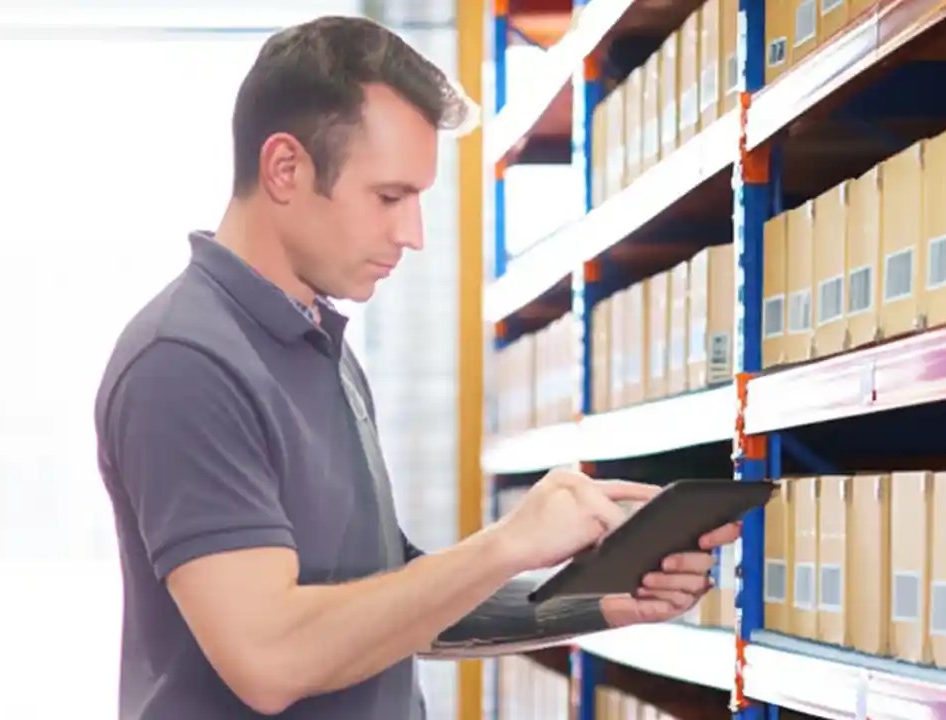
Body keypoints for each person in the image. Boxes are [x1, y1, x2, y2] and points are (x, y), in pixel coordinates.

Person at [92, 14, 738, 720]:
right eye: (389, 196)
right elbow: (271, 659)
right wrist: (507, 543)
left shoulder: (320, 347)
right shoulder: (185, 364)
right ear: (285, 168)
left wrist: (598, 598)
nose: (413, 234)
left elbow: (394, 603)